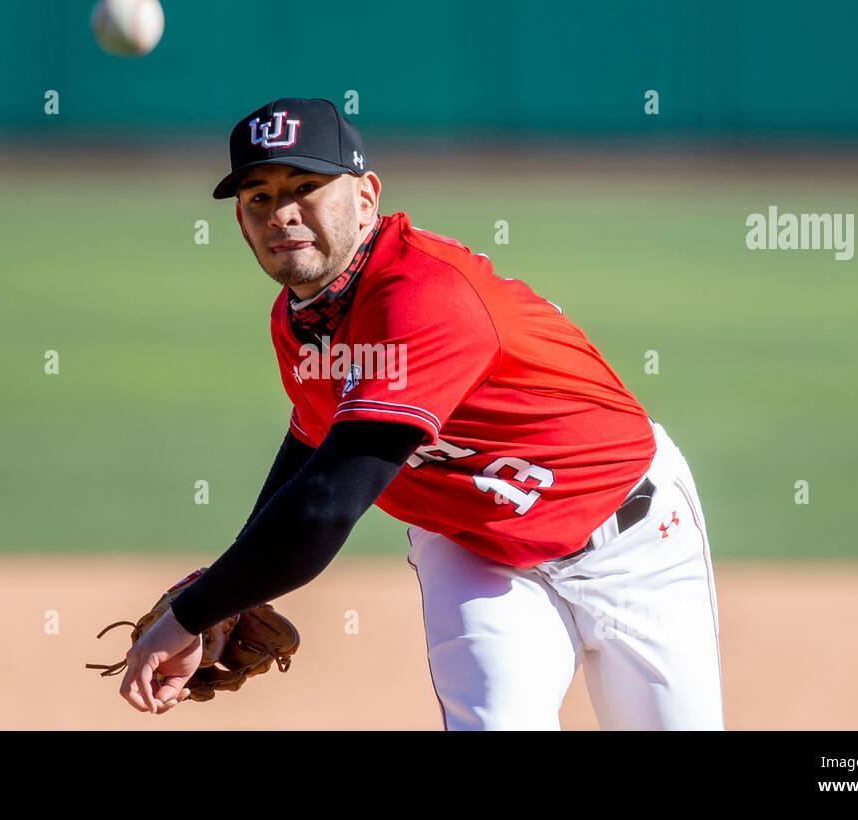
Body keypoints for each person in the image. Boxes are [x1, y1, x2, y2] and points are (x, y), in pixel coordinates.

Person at [118, 98, 724, 730]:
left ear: (365, 197)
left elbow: (328, 502)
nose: (283, 214)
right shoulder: (300, 318)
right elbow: (311, 448)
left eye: (306, 187)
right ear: (242, 220)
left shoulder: (423, 295)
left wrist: (192, 613)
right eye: (259, 196)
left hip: (632, 539)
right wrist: (234, 588)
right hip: (474, 548)